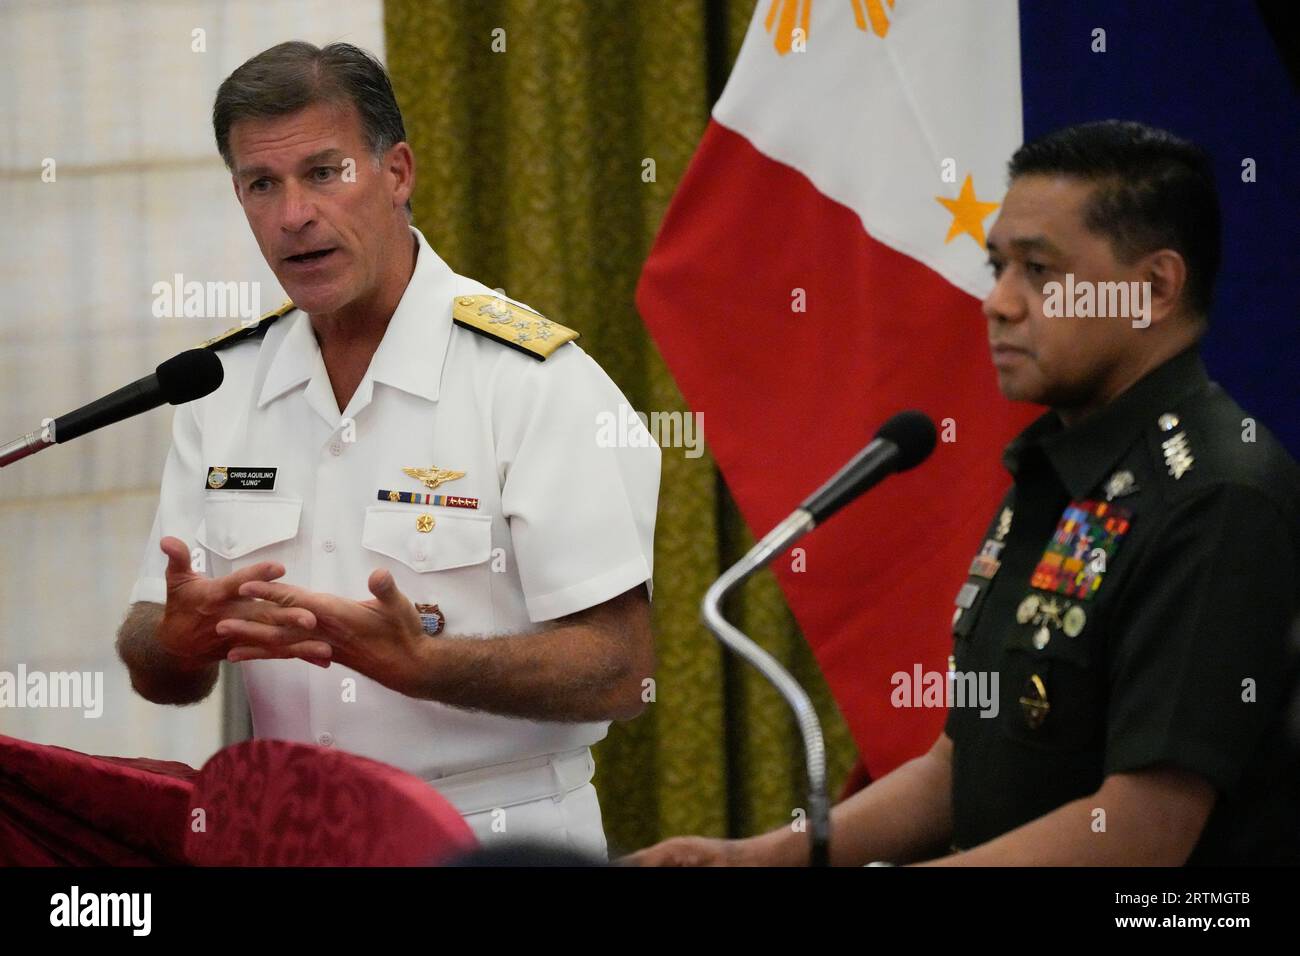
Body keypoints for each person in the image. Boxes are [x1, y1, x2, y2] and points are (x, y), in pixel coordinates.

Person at [628, 120, 1300, 866]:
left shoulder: (1214, 495)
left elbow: (1142, 831)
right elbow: (959, 766)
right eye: (997, 266)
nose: (999, 302)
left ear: (1152, 288)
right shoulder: (1058, 471)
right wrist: (757, 860)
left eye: (1039, 272)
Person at [115, 41, 660, 860]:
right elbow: (158, 659)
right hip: (286, 836)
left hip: (489, 837)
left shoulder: (531, 380)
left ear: (397, 172)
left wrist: (424, 663)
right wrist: (178, 642)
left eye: (324, 172)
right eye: (262, 184)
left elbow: (622, 671)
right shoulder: (219, 387)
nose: (293, 213)